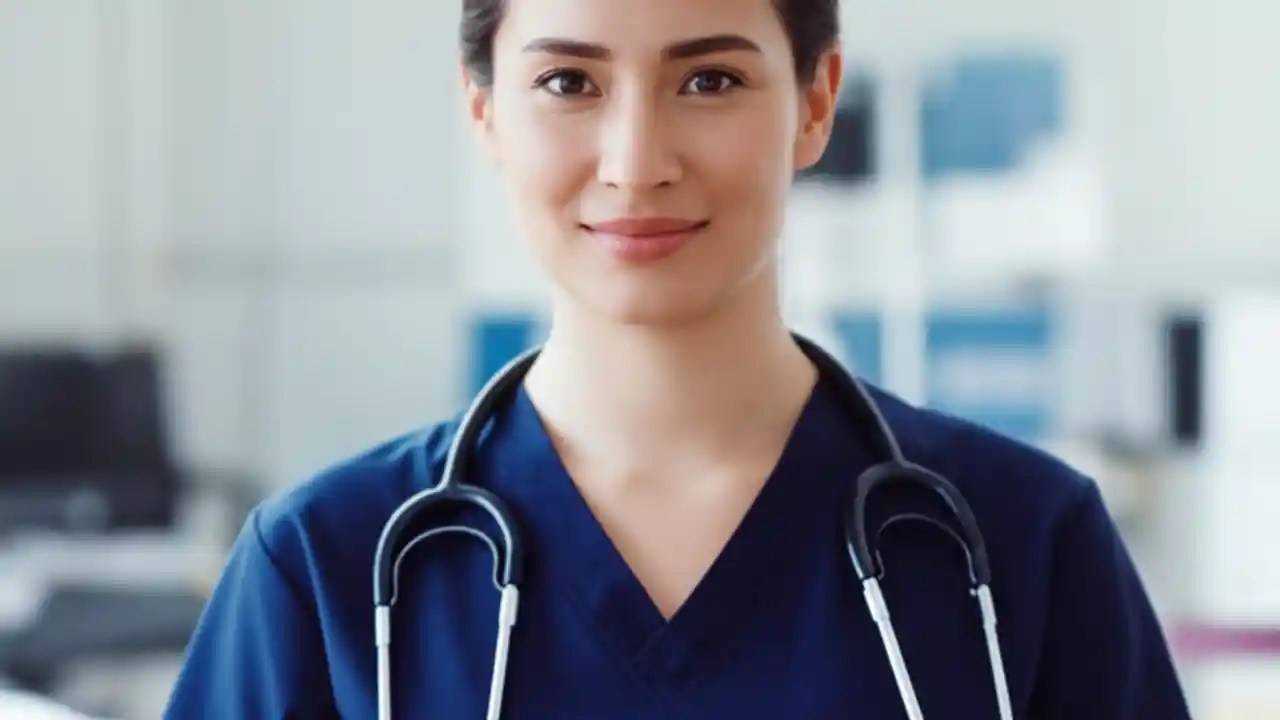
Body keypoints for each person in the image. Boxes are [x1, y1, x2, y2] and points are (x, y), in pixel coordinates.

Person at [166, 0, 1193, 717]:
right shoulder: (325, 567)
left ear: (814, 100)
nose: (635, 162)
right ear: (483, 108)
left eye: (708, 79)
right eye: (568, 81)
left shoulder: (1022, 544)